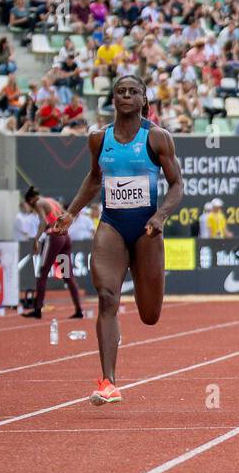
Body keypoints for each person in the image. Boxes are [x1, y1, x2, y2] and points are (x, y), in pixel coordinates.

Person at [51, 74, 183, 405]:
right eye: (120, 92)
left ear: (143, 101)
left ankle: (141, 302)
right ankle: (108, 381)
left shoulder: (157, 138)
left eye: (132, 92)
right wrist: (71, 213)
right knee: (107, 296)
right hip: (111, 223)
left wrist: (159, 216)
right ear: (113, 99)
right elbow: (95, 179)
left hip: (147, 229)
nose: (125, 96)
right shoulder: (99, 139)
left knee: (150, 315)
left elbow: (177, 185)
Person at [22, 186, 84, 320]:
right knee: (68, 276)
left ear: (31, 200)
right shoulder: (51, 200)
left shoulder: (38, 203)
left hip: (55, 238)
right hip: (65, 237)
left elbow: (43, 222)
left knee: (42, 273)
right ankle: (79, 309)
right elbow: (65, 214)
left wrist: (36, 239)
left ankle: (37, 309)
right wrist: (63, 229)